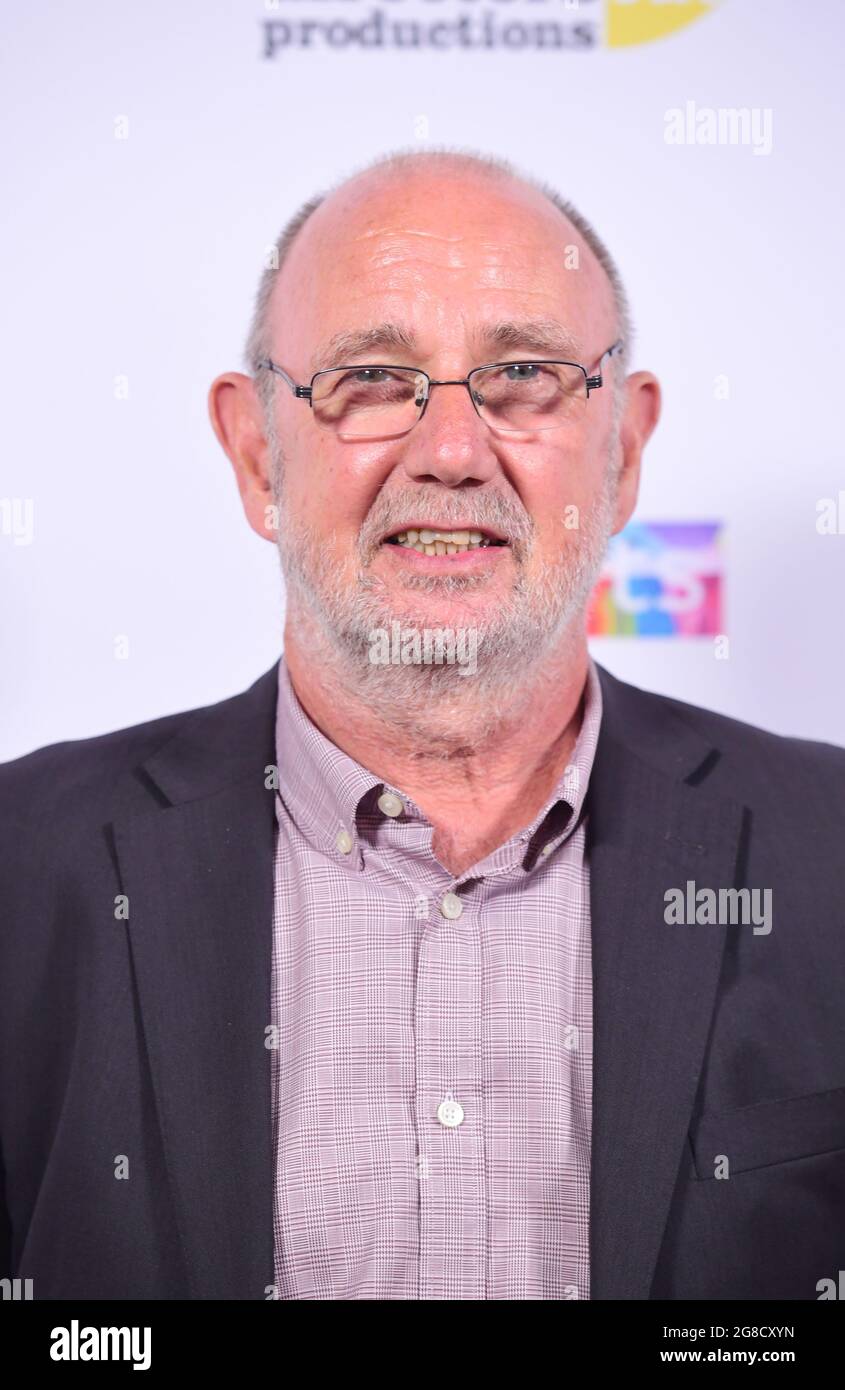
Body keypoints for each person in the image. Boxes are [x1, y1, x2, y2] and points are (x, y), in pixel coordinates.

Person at [1, 148, 843, 1301]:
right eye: (371, 380)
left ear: (624, 453)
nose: (449, 454)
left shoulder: (827, 849)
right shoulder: (21, 867)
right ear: (257, 455)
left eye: (526, 376)